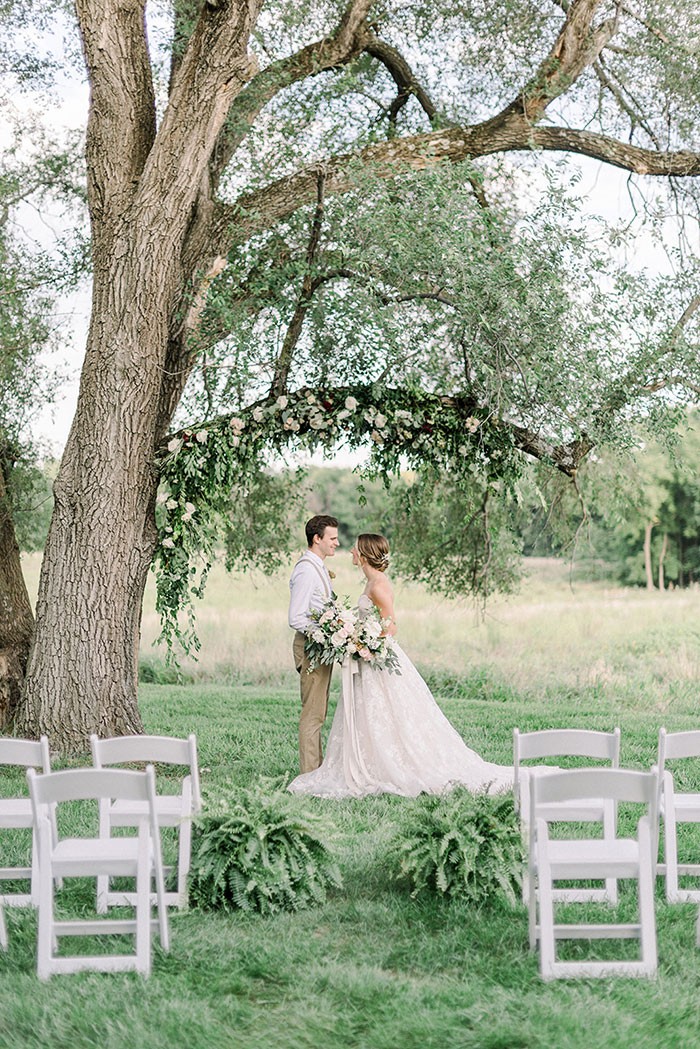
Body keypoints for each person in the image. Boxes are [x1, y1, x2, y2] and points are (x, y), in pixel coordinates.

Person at [288, 533, 513, 798]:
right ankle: (370, 762)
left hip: (377, 658)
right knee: (369, 716)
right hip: (366, 657)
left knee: (391, 715)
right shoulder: (370, 581)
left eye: (354, 548)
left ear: (364, 553)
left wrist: (366, 644)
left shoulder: (379, 584)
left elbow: (390, 625)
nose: (349, 551)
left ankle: (390, 766)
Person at [288, 515, 340, 773]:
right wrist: (325, 634)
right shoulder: (306, 570)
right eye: (332, 538)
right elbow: (296, 617)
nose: (337, 543)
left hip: (320, 649)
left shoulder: (317, 566)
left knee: (319, 711)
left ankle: (317, 768)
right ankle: (309, 774)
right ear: (316, 539)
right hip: (311, 649)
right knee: (313, 714)